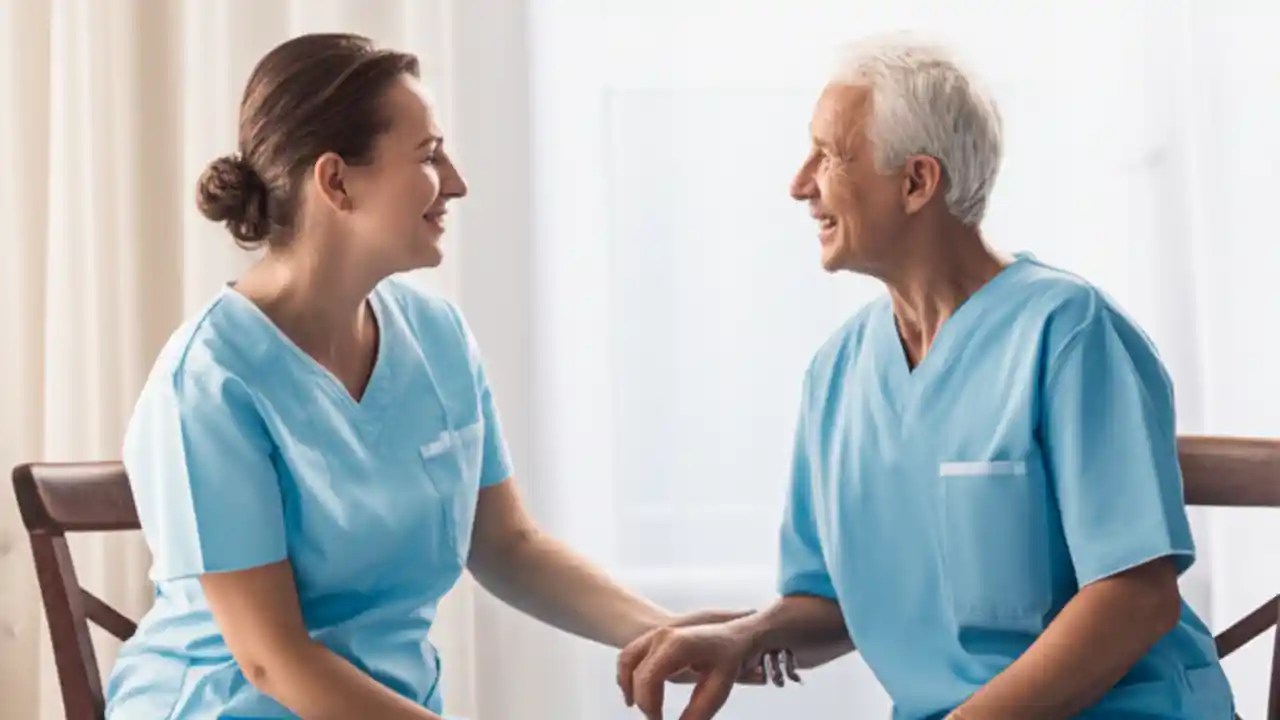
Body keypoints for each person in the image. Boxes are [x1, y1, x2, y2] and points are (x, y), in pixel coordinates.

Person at [104, 33, 772, 720]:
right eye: (428, 156)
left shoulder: (437, 337)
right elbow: (272, 660)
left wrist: (665, 633)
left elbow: (507, 546)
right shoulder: (209, 383)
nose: (455, 182)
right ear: (336, 181)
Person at [617, 33, 1235, 720]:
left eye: (829, 155)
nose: (800, 184)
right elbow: (833, 602)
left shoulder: (1068, 332)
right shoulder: (837, 374)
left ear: (916, 182)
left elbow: (1135, 597)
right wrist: (747, 635)